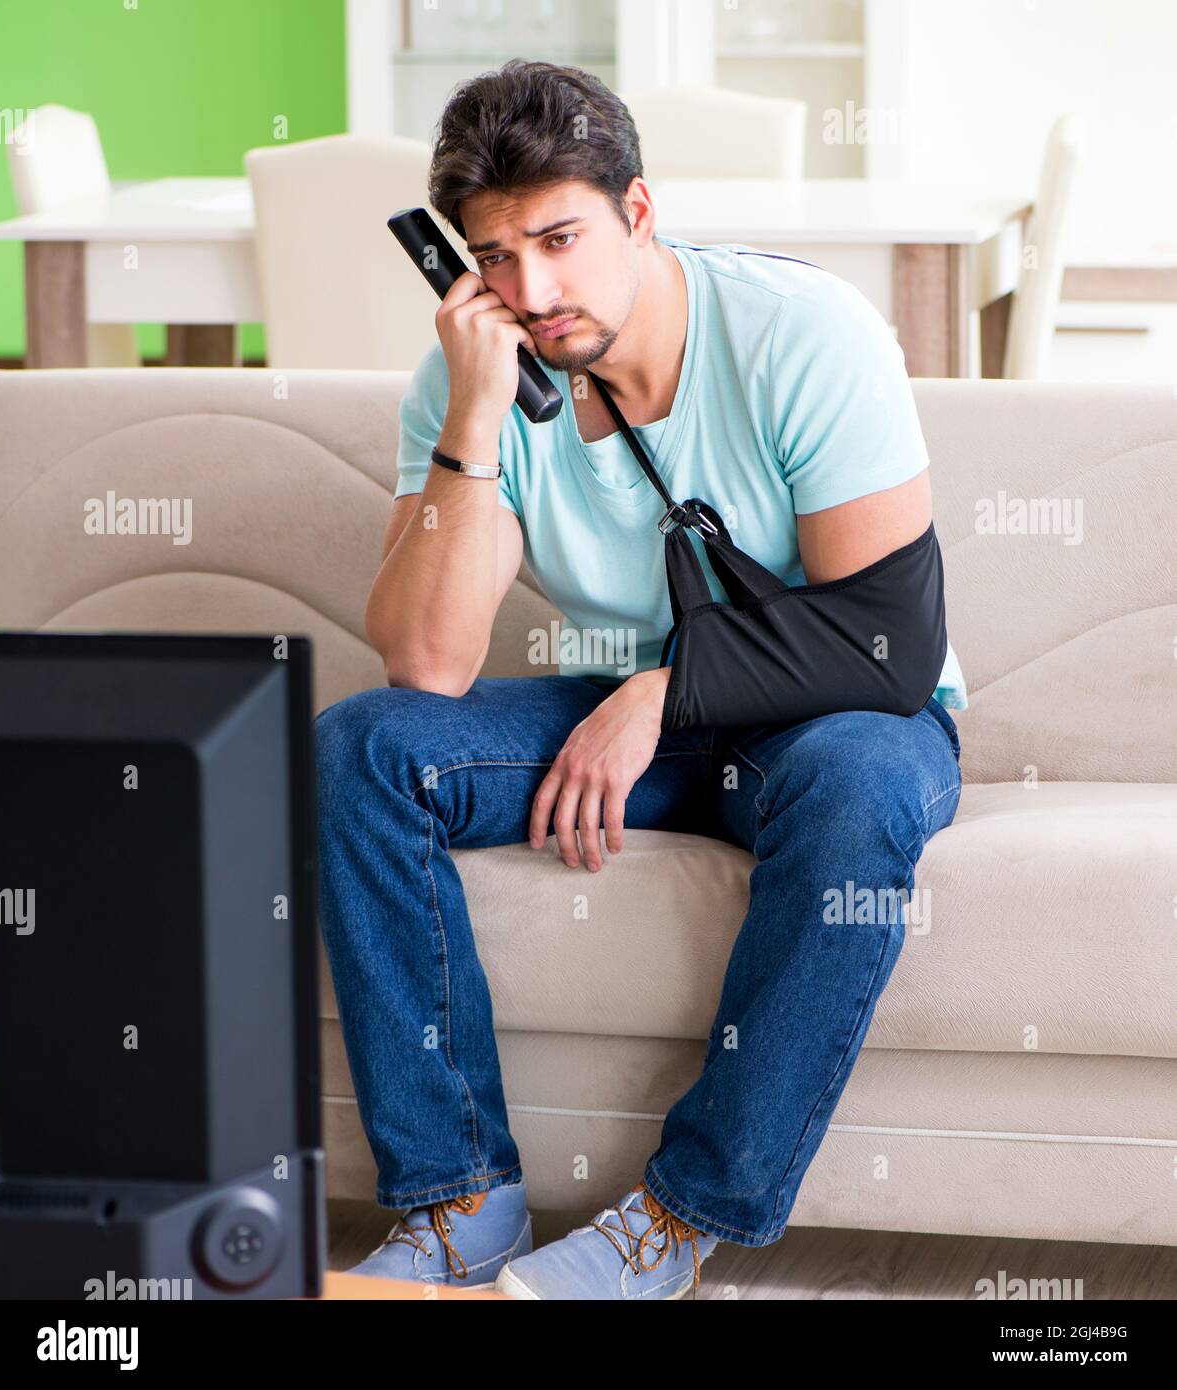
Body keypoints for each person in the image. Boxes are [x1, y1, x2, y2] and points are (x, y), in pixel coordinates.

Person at [315, 58, 966, 1301]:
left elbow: (887, 639)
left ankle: (673, 1224)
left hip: (837, 714)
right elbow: (428, 664)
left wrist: (663, 691)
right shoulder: (478, 381)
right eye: (494, 256)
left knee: (857, 785)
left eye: (560, 239)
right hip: (633, 717)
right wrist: (473, 415)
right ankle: (458, 1202)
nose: (533, 289)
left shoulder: (798, 332)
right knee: (361, 747)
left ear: (638, 214)